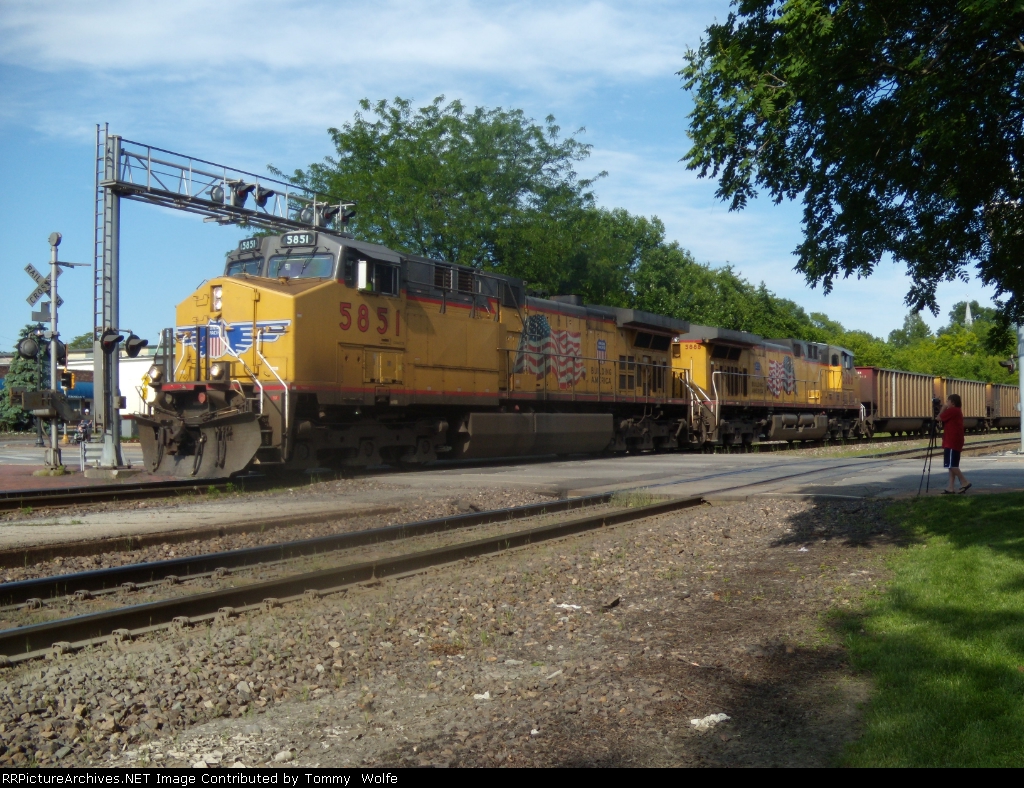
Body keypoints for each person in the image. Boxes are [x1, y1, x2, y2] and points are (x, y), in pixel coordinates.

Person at [938, 394, 972, 494]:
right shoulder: (957, 411)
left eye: (947, 401)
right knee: (952, 465)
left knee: (951, 465)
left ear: (952, 402)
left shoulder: (953, 410)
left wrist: (943, 408)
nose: (946, 403)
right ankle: (950, 487)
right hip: (954, 441)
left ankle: (964, 482)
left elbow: (939, 418)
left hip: (951, 442)